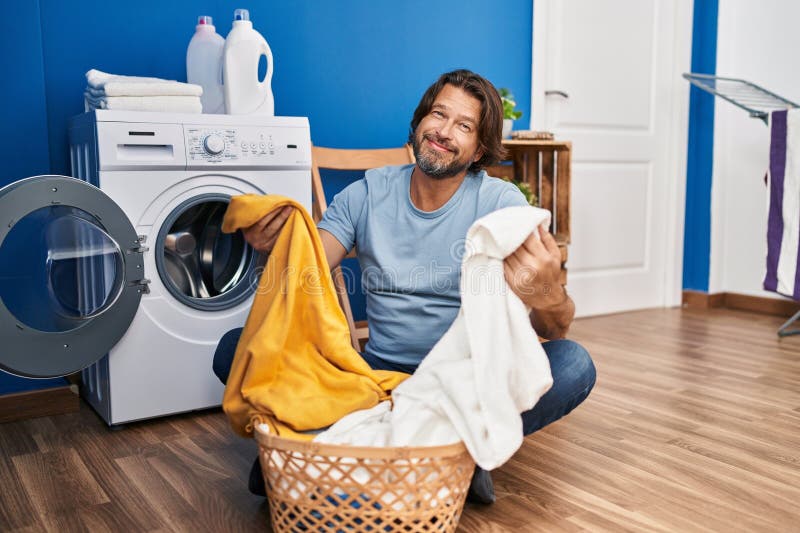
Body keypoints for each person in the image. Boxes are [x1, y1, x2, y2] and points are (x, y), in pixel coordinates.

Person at [213, 69, 596, 504]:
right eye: (438, 114)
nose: (444, 132)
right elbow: (307, 272)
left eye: (464, 126)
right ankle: (448, 456)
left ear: (479, 150)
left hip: (463, 383)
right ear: (418, 123)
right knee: (236, 348)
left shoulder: (501, 207)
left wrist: (546, 292)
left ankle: (326, 451)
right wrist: (275, 247)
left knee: (573, 363)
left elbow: (557, 327)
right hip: (373, 381)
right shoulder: (367, 193)